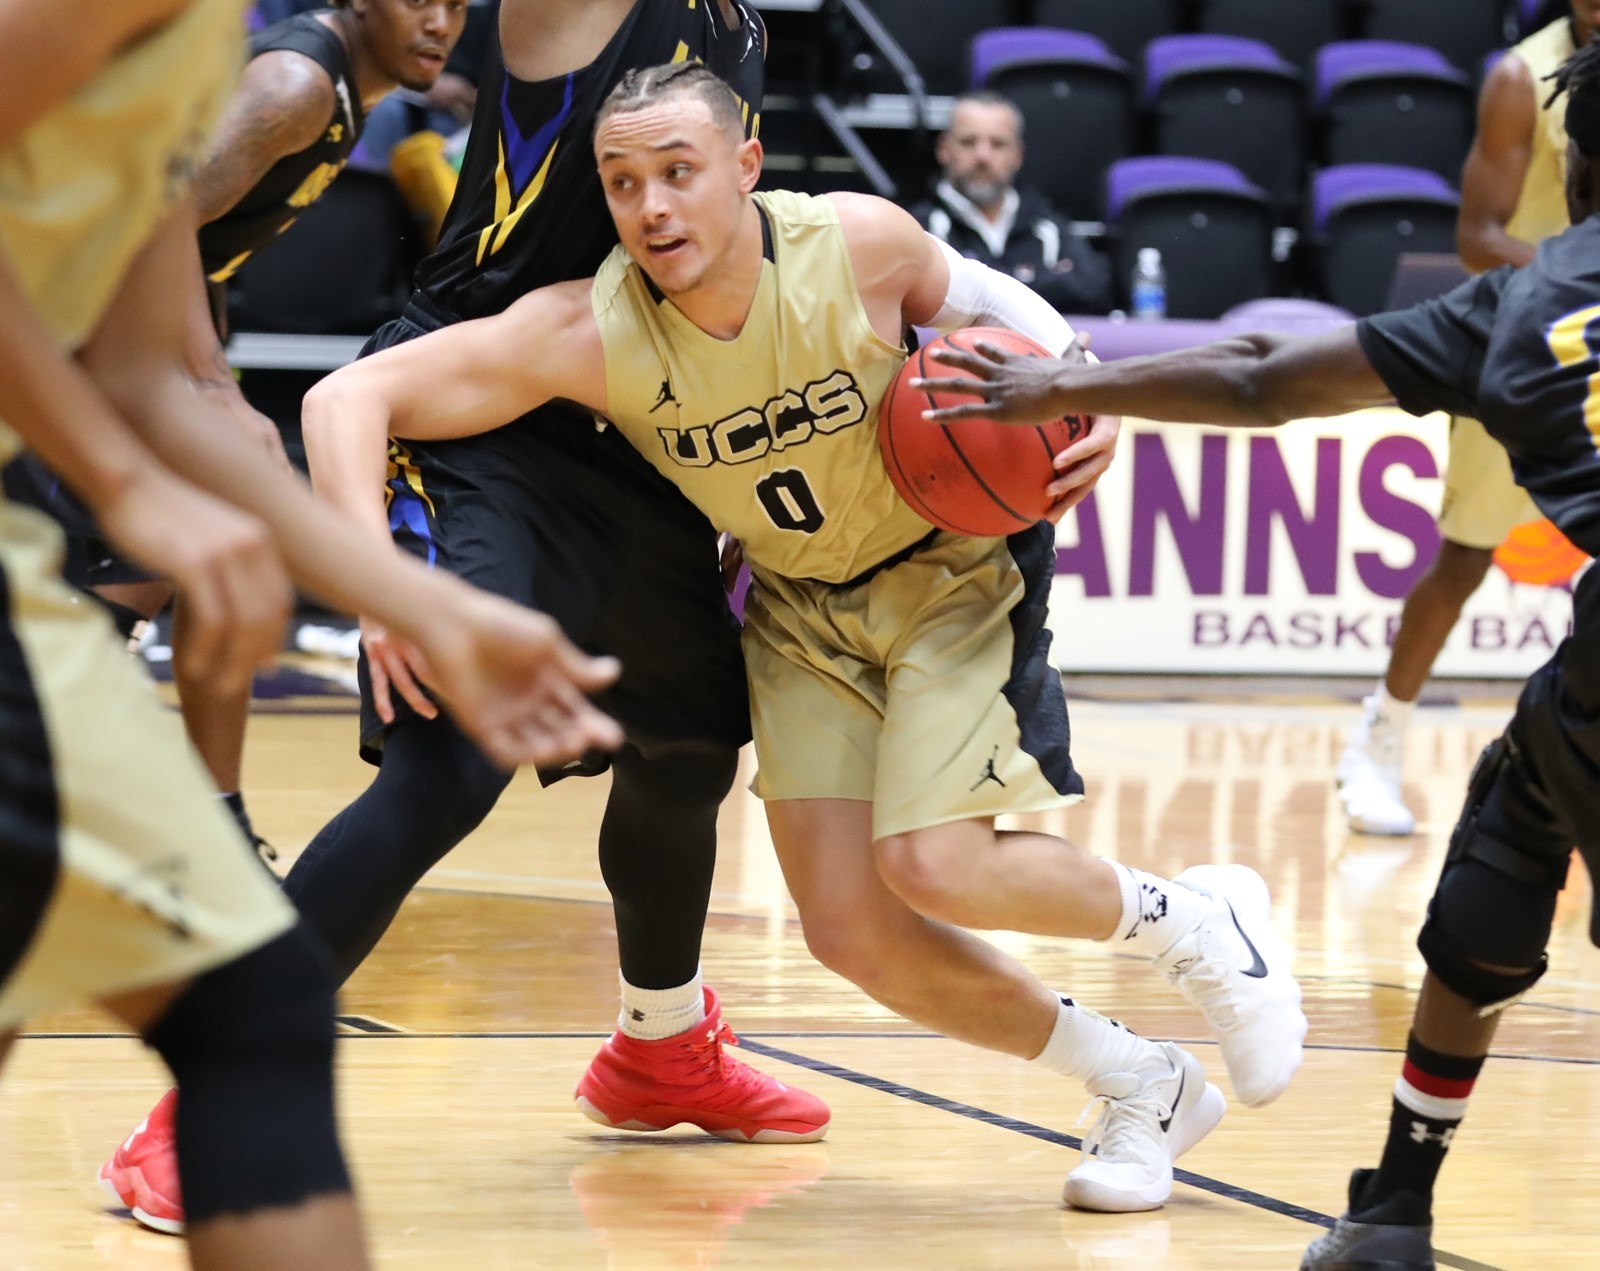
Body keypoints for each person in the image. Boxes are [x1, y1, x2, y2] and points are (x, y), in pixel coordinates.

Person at [301, 61, 1311, 1214]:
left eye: (679, 173)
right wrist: (377, 589)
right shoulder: (587, 327)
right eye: (622, 182)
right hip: (795, 605)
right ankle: (1142, 1082)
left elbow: (983, 296)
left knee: (936, 859)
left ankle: (1196, 922)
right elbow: (345, 401)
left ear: (746, 165)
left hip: (948, 571)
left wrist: (1083, 391)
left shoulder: (856, 245)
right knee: (849, 932)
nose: (652, 208)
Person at [105, 0, 832, 1238]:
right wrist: (375, 574)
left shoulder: (741, 30)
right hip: (468, 414)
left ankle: (659, 1045)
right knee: (448, 762)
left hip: (622, 424)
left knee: (695, 738)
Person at [912, 40, 1600, 1267]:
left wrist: (1071, 385)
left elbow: (1265, 378)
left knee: (1500, 854)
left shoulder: (1525, 305)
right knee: (1514, 811)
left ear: (1580, 172)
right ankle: (1392, 1205)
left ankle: (1392, 1214)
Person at [0, 0, 621, 1266]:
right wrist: (129, 488)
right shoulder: (266, 71)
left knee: (260, 997)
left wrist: (431, 603)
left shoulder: (206, 47)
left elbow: (153, 378)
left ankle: (217, 805)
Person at [3, 0, 470, 856]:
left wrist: (206, 361)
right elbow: (156, 206)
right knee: (139, 568)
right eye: (418, 0)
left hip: (98, 319)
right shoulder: (296, 86)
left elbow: (190, 237)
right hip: (58, 317)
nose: (439, 21)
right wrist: (211, 386)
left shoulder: (336, 92)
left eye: (456, 4)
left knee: (190, 553)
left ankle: (211, 820)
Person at [1335, 0, 1593, 836]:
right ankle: (1379, 738)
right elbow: (1479, 239)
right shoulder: (1522, 77)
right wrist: (1578, 279)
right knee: (1464, 561)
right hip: (1525, 332)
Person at [910, 91, 1114, 316]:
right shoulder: (916, 228)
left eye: (997, 144)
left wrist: (971, 291)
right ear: (943, 149)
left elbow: (1093, 290)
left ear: (1017, 155)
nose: (983, 156)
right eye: (968, 142)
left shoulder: (1047, 227)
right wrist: (1037, 280)